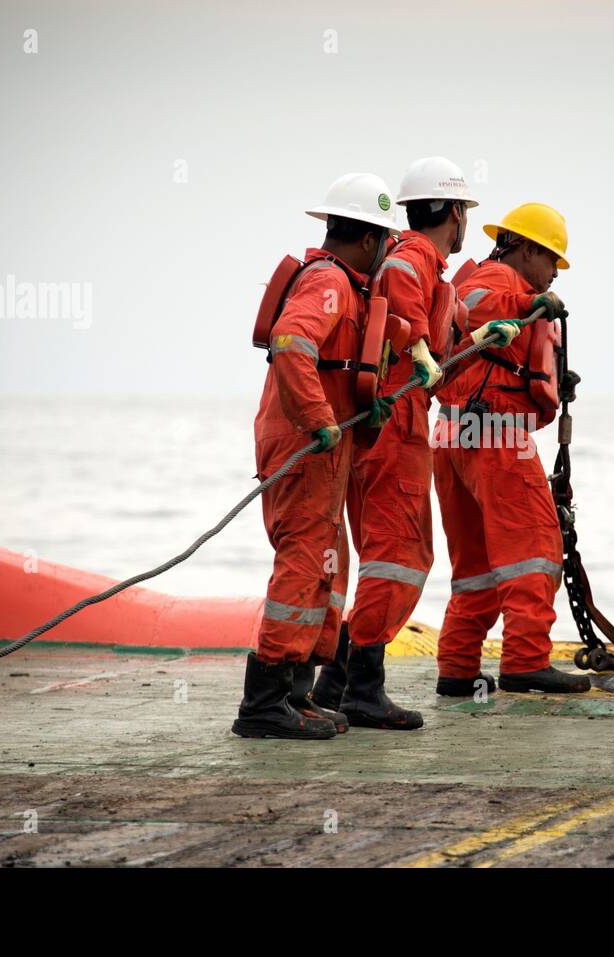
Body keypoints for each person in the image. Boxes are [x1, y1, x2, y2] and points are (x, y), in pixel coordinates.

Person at [311, 156, 481, 729]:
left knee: (387, 554)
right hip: (395, 422)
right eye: (464, 216)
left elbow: (440, 340)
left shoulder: (429, 270)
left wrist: (479, 337)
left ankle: (338, 681)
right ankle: (362, 686)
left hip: (385, 420)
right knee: (400, 553)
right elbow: (406, 319)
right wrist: (421, 354)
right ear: (454, 213)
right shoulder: (414, 260)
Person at [232, 172, 400, 740]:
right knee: (304, 562)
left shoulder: (344, 287)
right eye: (384, 242)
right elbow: (290, 345)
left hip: (321, 444)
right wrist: (320, 420)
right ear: (368, 239)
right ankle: (263, 702)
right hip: (304, 444)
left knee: (327, 563)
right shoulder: (328, 284)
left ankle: (295, 694)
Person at [431, 203, 592, 695]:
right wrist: (529, 308)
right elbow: (475, 306)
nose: (551, 275)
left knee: (476, 566)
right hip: (496, 436)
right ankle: (525, 663)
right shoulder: (497, 282)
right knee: (536, 550)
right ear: (525, 248)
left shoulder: (501, 285)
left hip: (455, 435)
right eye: (550, 261)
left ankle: (457, 671)